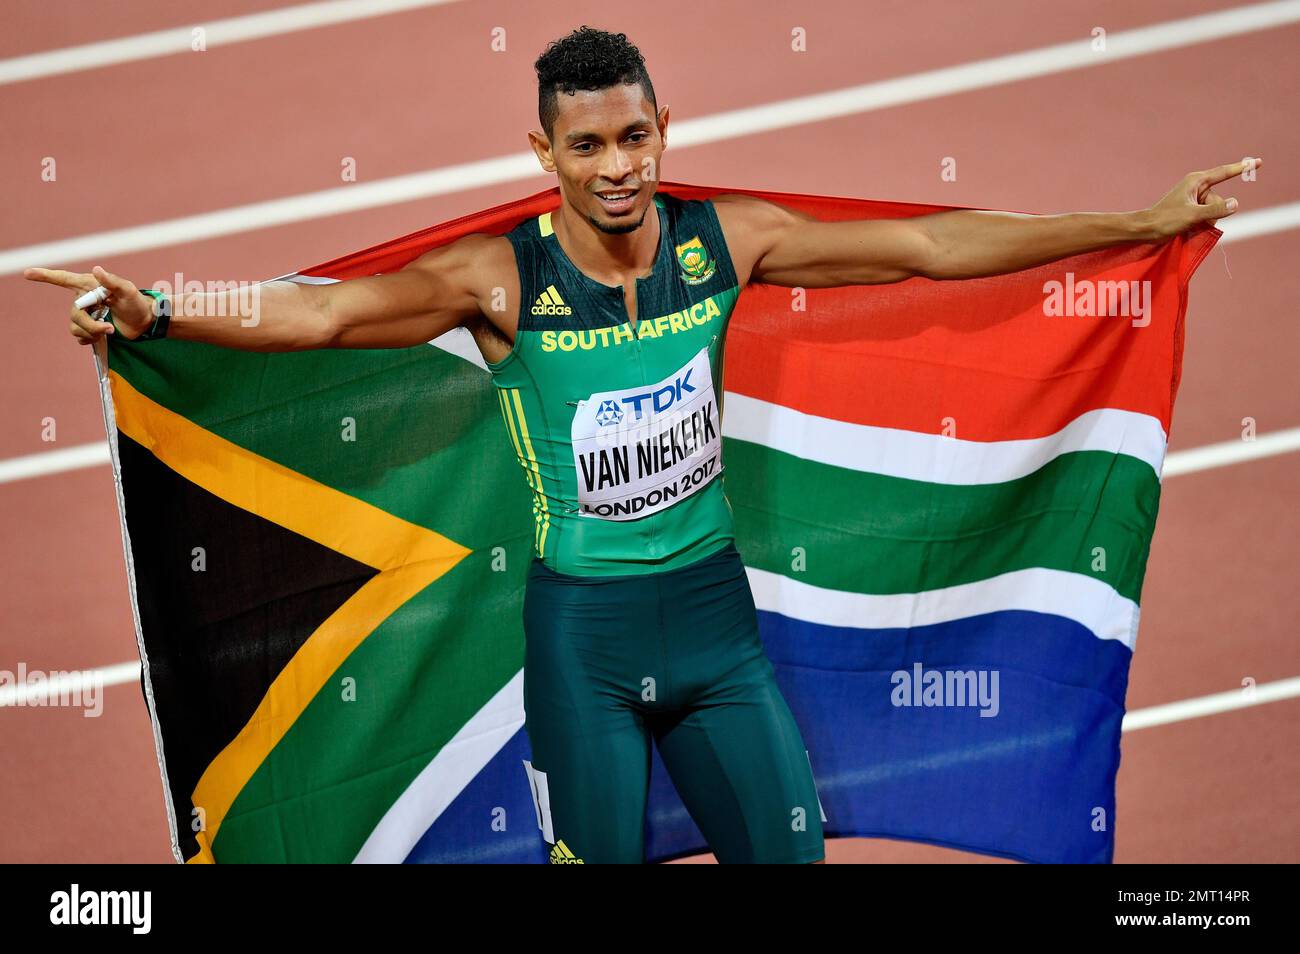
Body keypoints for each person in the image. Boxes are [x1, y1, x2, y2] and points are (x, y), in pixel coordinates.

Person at [26, 26, 1258, 864]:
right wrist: (166, 306)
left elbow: (932, 249)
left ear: (662, 126)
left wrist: (1137, 219)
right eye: (585, 147)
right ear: (541, 154)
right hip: (587, 652)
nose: (615, 170)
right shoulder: (497, 283)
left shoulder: (726, 243)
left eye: (633, 139)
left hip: (716, 632)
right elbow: (329, 311)